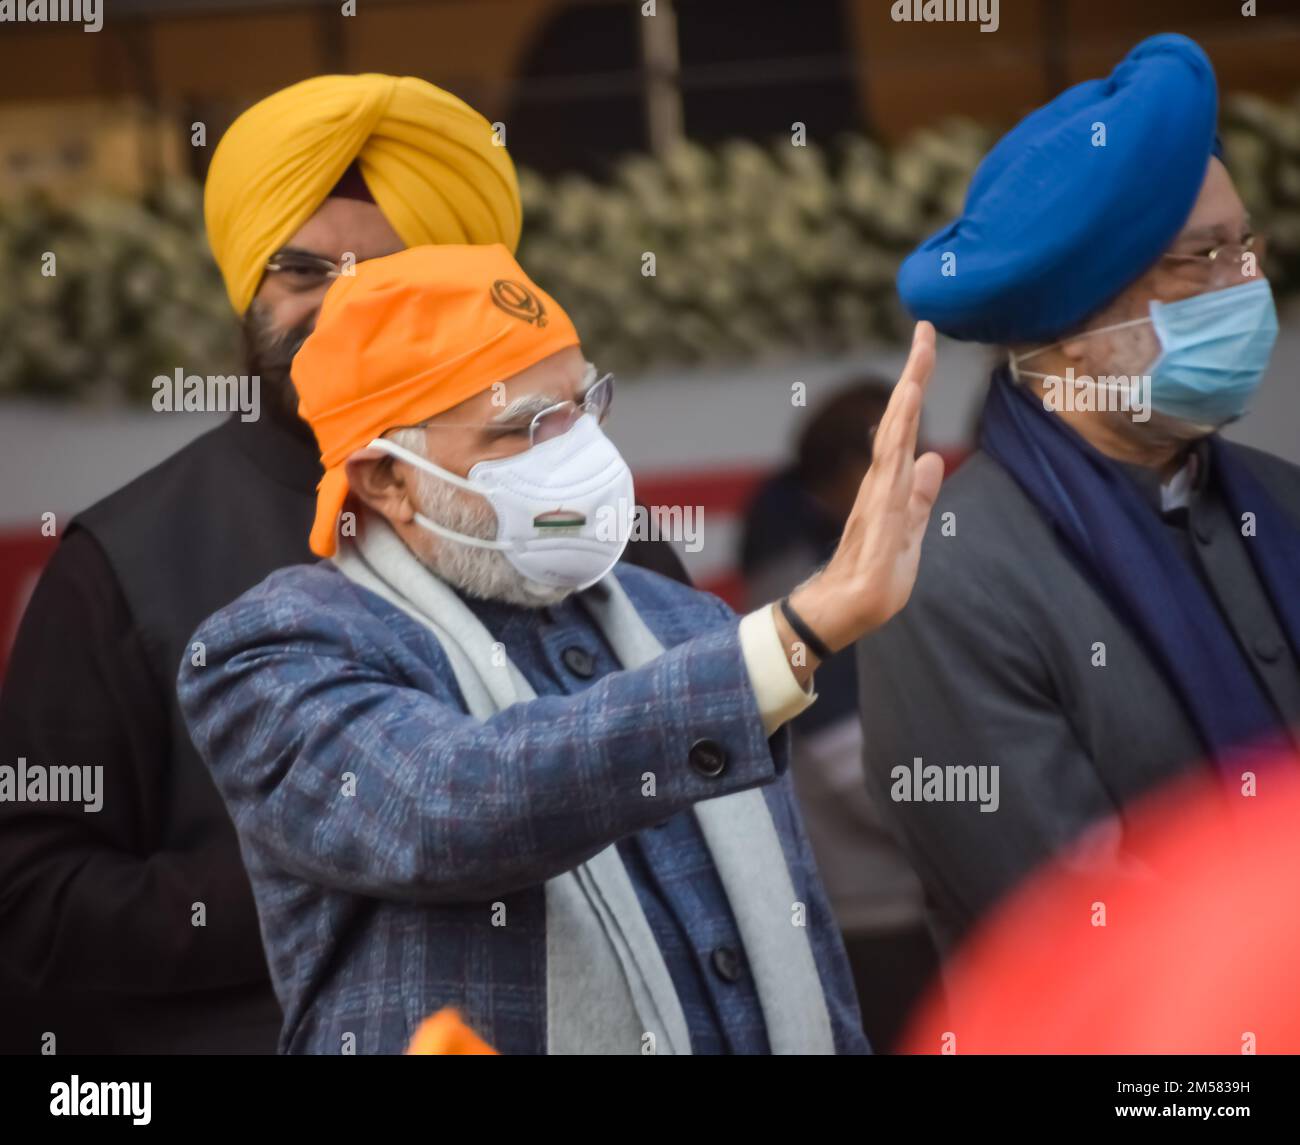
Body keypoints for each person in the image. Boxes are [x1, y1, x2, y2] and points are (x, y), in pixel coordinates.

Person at [0, 73, 680, 1054]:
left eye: (390, 275)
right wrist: (343, 869)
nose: (344, 308)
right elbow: (32, 900)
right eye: (304, 273)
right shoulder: (123, 563)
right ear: (248, 293)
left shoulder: (586, 524)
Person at [176, 243, 946, 1054]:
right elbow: (449, 802)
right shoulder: (273, 650)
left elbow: (811, 960)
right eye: (522, 428)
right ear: (385, 480)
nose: (575, 451)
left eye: (582, 405)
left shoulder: (687, 623)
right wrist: (790, 638)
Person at [856, 34, 1300, 955]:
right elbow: (1078, 932)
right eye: (1201, 261)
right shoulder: (944, 581)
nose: (1246, 284)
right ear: (1073, 335)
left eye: (1245, 246)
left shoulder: (1281, 502)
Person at [739, 381, 941, 1051]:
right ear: (860, 472)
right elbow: (852, 765)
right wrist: (969, 831)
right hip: (876, 909)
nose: (922, 470)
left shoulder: (819, 556)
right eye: (904, 455)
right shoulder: (815, 591)